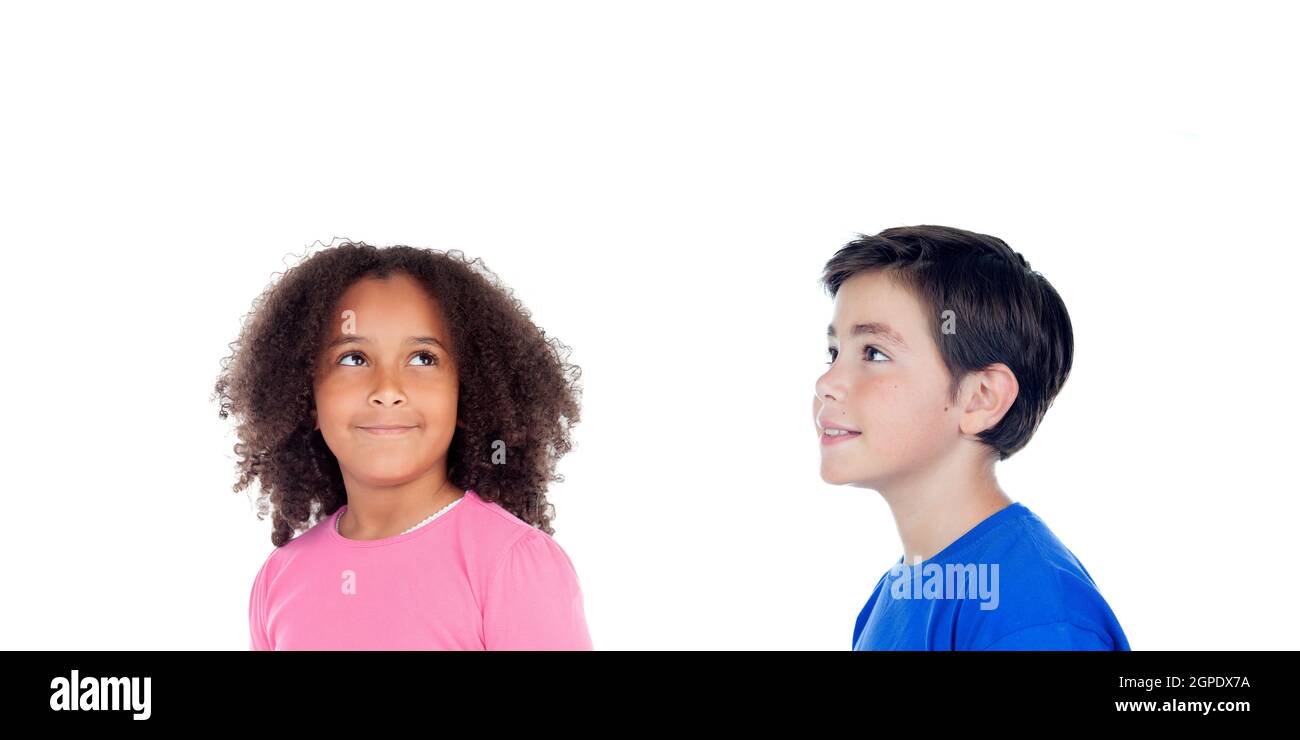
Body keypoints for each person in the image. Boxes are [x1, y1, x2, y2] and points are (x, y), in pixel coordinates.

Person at [215, 241, 592, 650]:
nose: (388, 391)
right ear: (306, 399)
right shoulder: (280, 579)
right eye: (354, 358)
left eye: (423, 358)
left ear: (466, 395)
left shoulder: (513, 563)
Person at [814, 225, 1129, 650]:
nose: (827, 382)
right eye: (834, 353)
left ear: (981, 398)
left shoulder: (1033, 616)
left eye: (874, 352)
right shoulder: (895, 595)